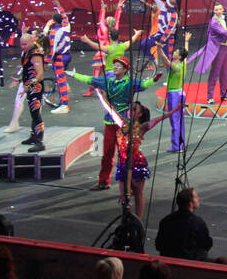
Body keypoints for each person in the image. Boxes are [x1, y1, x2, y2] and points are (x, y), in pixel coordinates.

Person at [67, 56, 162, 191]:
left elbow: (143, 85)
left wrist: (154, 79)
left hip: (124, 123)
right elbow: (90, 79)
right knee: (107, 153)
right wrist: (75, 74)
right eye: (114, 65)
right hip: (109, 121)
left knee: (125, 154)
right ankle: (103, 181)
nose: (115, 67)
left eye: (118, 65)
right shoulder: (109, 81)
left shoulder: (129, 83)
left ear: (125, 69)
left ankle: (129, 182)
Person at [92, 97, 184, 218]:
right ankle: (127, 219)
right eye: (130, 108)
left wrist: (172, 112)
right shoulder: (122, 123)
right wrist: (100, 95)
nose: (130, 110)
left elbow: (158, 119)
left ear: (140, 114)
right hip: (123, 163)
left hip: (136, 163)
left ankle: (138, 221)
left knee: (137, 193)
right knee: (124, 196)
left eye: (134, 109)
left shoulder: (142, 127)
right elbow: (110, 109)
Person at [184, 3, 227, 104]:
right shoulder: (214, 22)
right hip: (217, 49)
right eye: (216, 10)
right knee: (215, 72)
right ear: (214, 11)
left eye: (220, 9)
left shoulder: (222, 18)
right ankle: (210, 96)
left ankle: (224, 94)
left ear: (223, 10)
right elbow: (225, 33)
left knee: (225, 73)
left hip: (225, 48)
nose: (218, 11)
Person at [5, 31, 48, 153]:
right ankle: (34, 136)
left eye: (25, 44)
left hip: (36, 87)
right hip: (30, 86)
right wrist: (19, 81)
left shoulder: (35, 54)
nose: (22, 47)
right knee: (33, 113)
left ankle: (40, 142)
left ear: (31, 42)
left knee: (36, 114)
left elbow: (39, 75)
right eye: (21, 44)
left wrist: (28, 85)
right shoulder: (27, 52)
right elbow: (28, 71)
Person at [155, 188, 213, 261]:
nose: (198, 199)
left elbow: (158, 245)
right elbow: (207, 244)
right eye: (196, 197)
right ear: (190, 203)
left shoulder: (166, 220)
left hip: (168, 260)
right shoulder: (198, 222)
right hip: (190, 262)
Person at [161, 32, 192, 152]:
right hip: (180, 93)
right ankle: (180, 143)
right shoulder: (183, 62)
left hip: (174, 95)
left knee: (174, 121)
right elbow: (186, 51)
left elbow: (164, 60)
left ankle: (177, 146)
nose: (173, 53)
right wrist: (187, 41)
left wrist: (160, 49)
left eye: (175, 53)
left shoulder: (175, 67)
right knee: (179, 120)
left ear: (179, 57)